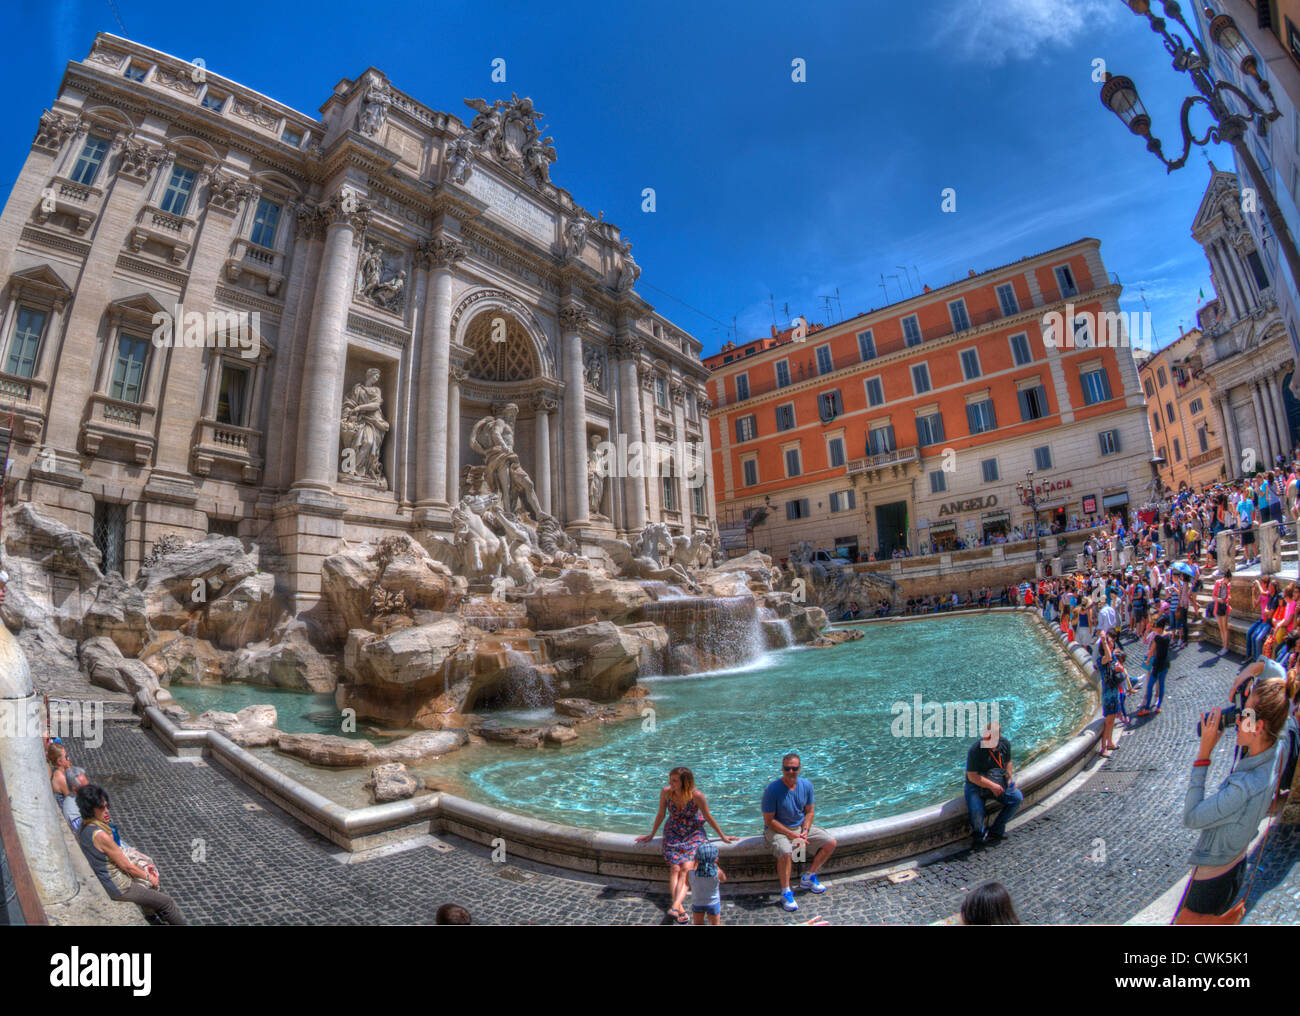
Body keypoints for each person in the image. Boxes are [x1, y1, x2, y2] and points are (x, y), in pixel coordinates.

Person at [1178, 678, 1290, 922]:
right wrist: (1254, 671)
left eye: (1244, 715)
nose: (1237, 720)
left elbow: (1191, 817)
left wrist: (1204, 755)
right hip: (1236, 864)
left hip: (1211, 879)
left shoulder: (1244, 786)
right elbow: (1282, 705)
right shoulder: (1278, 746)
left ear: (1259, 726)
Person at [636, 766, 737, 923]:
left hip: (694, 833)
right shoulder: (666, 792)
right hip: (673, 833)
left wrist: (722, 836)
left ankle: (675, 906)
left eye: (675, 780)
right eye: (670, 779)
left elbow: (708, 817)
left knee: (687, 868)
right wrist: (651, 834)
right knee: (675, 868)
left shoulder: (696, 795)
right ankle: (679, 908)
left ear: (685, 782)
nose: (671, 783)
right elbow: (661, 814)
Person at [74, 785, 186, 926]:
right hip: (118, 887)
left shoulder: (84, 827)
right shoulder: (101, 835)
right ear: (91, 809)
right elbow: (127, 866)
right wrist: (149, 877)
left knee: (153, 898)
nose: (107, 811)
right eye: (102, 808)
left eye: (107, 806)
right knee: (166, 902)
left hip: (105, 879)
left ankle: (152, 919)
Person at [761, 752, 837, 912]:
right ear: (782, 769)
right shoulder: (771, 790)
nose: (790, 771)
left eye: (794, 768)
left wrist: (805, 830)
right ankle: (786, 891)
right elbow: (769, 821)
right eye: (787, 768)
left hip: (800, 828)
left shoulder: (806, 785)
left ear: (799, 768)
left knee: (830, 842)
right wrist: (792, 835)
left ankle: (809, 877)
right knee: (786, 851)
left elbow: (809, 811)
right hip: (777, 829)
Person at [964, 722, 1024, 846]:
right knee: (976, 810)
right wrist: (992, 786)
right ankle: (978, 836)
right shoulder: (975, 750)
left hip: (998, 780)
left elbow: (1008, 762)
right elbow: (972, 776)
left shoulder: (1005, 744)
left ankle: (996, 830)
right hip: (976, 784)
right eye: (986, 737)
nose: (987, 741)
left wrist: (1009, 778)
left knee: (1017, 798)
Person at [1138, 616, 1172, 717]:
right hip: (1165, 663)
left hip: (1157, 665)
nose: (1155, 628)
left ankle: (1147, 708)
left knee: (1149, 686)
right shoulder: (1168, 635)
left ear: (1160, 628)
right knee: (1161, 685)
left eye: (1156, 627)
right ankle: (1158, 707)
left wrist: (1147, 660)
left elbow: (1151, 651)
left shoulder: (1157, 638)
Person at [688, 841, 726, 925]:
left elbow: (690, 883)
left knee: (698, 923)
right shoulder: (717, 873)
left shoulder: (692, 874)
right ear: (716, 858)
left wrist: (696, 862)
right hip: (713, 903)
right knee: (715, 923)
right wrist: (716, 865)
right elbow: (723, 879)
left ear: (697, 858)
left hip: (697, 902)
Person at [1212, 568, 1233, 656]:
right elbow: (1213, 596)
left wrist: (1228, 598)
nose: (1229, 582)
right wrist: (1219, 599)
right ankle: (1223, 646)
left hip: (1225, 607)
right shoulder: (1218, 583)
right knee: (1221, 628)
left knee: (1225, 628)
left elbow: (1229, 595)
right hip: (1218, 606)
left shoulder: (1229, 585)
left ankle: (1225, 647)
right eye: (1228, 580)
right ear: (1225, 578)